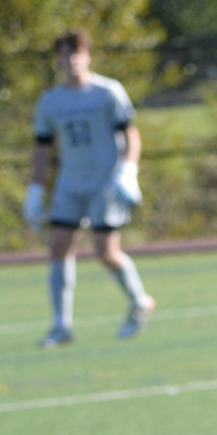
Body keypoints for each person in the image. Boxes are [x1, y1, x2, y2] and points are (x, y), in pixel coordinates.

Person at [25, 30, 157, 348]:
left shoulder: (107, 92)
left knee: (105, 251)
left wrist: (128, 171)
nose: (71, 59)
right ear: (57, 60)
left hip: (105, 183)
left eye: (77, 53)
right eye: (64, 54)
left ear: (87, 56)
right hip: (70, 183)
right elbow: (42, 149)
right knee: (59, 246)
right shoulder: (50, 101)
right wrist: (35, 190)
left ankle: (139, 300)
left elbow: (131, 134)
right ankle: (62, 325)